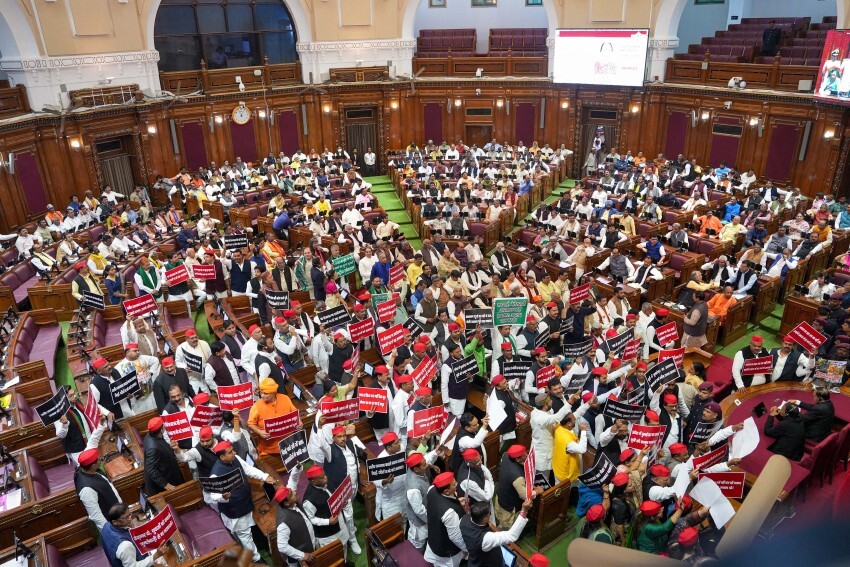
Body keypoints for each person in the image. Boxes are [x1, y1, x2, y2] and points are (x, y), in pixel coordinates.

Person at [206, 441, 276, 563]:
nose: (234, 453)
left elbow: (248, 469)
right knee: (245, 537)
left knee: (249, 529)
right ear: (222, 457)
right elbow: (213, 495)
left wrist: (264, 477)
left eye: (233, 450)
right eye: (230, 452)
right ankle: (256, 559)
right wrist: (223, 497)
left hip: (246, 503)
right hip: (235, 511)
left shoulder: (236, 458)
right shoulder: (215, 474)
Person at [460, 498, 534, 567]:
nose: (490, 514)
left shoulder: (463, 520)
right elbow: (511, 536)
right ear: (485, 520)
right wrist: (524, 511)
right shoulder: (485, 538)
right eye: (489, 513)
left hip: (474, 558)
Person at [425, 472, 468, 567]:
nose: (457, 484)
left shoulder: (431, 489)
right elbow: (456, 537)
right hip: (447, 551)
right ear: (446, 491)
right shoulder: (449, 513)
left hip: (434, 538)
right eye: (454, 484)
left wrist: (456, 501)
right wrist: (468, 549)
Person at [248, 377, 299, 457]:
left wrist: (299, 422)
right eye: (261, 393)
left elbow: (294, 414)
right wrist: (259, 432)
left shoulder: (285, 398)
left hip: (288, 445)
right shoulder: (257, 406)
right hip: (269, 450)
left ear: (273, 392)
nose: (262, 396)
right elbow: (251, 423)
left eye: (265, 393)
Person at [102, 503, 166, 566]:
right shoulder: (125, 545)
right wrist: (155, 556)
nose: (130, 519)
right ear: (115, 522)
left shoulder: (106, 526)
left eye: (129, 515)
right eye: (126, 518)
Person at [74, 448, 123, 532]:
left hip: (118, 513)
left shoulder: (83, 468)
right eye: (99, 459)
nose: (101, 459)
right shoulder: (86, 490)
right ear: (93, 466)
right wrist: (110, 532)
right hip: (112, 523)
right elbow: (96, 516)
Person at [143, 417, 185, 495]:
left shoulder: (151, 435)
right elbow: (151, 470)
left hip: (169, 469)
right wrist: (165, 484)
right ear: (162, 430)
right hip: (166, 479)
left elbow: (161, 449)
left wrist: (170, 448)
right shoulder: (153, 448)